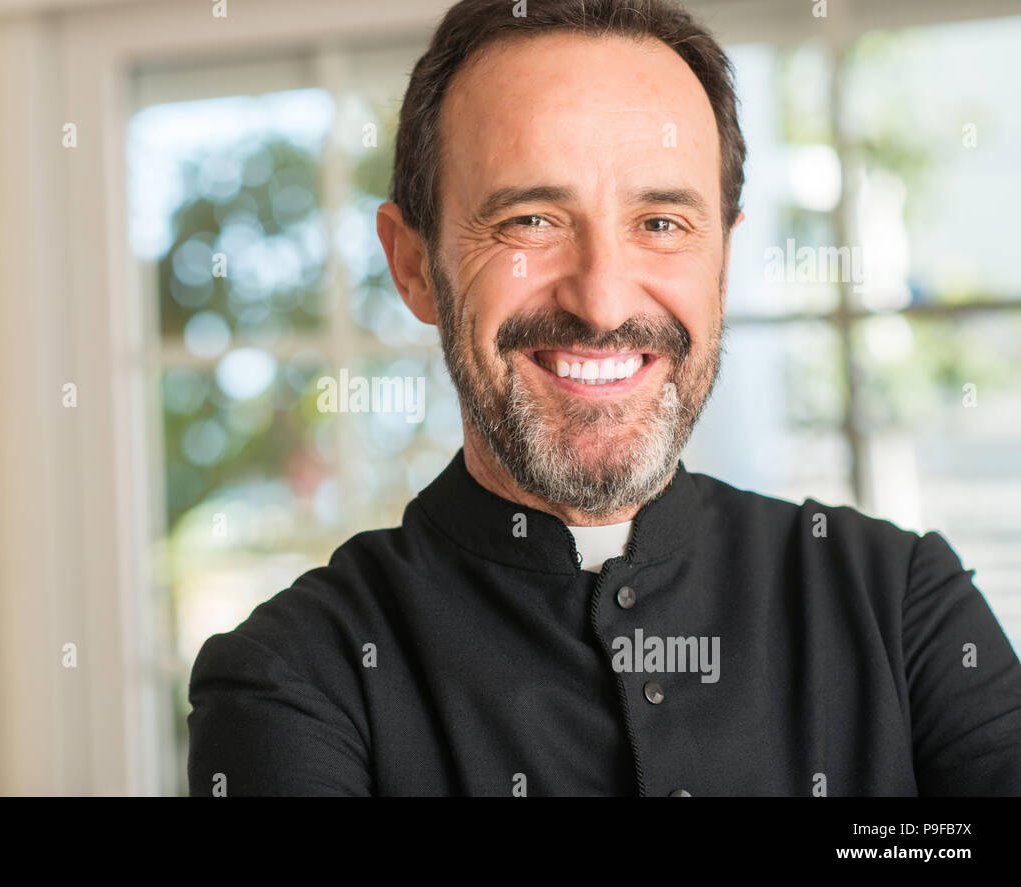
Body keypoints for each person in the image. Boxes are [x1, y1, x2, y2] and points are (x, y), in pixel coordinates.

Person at [186, 0, 1021, 796]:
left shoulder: (904, 607)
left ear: (722, 261)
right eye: (531, 221)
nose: (603, 301)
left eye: (661, 222)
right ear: (413, 265)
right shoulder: (294, 677)